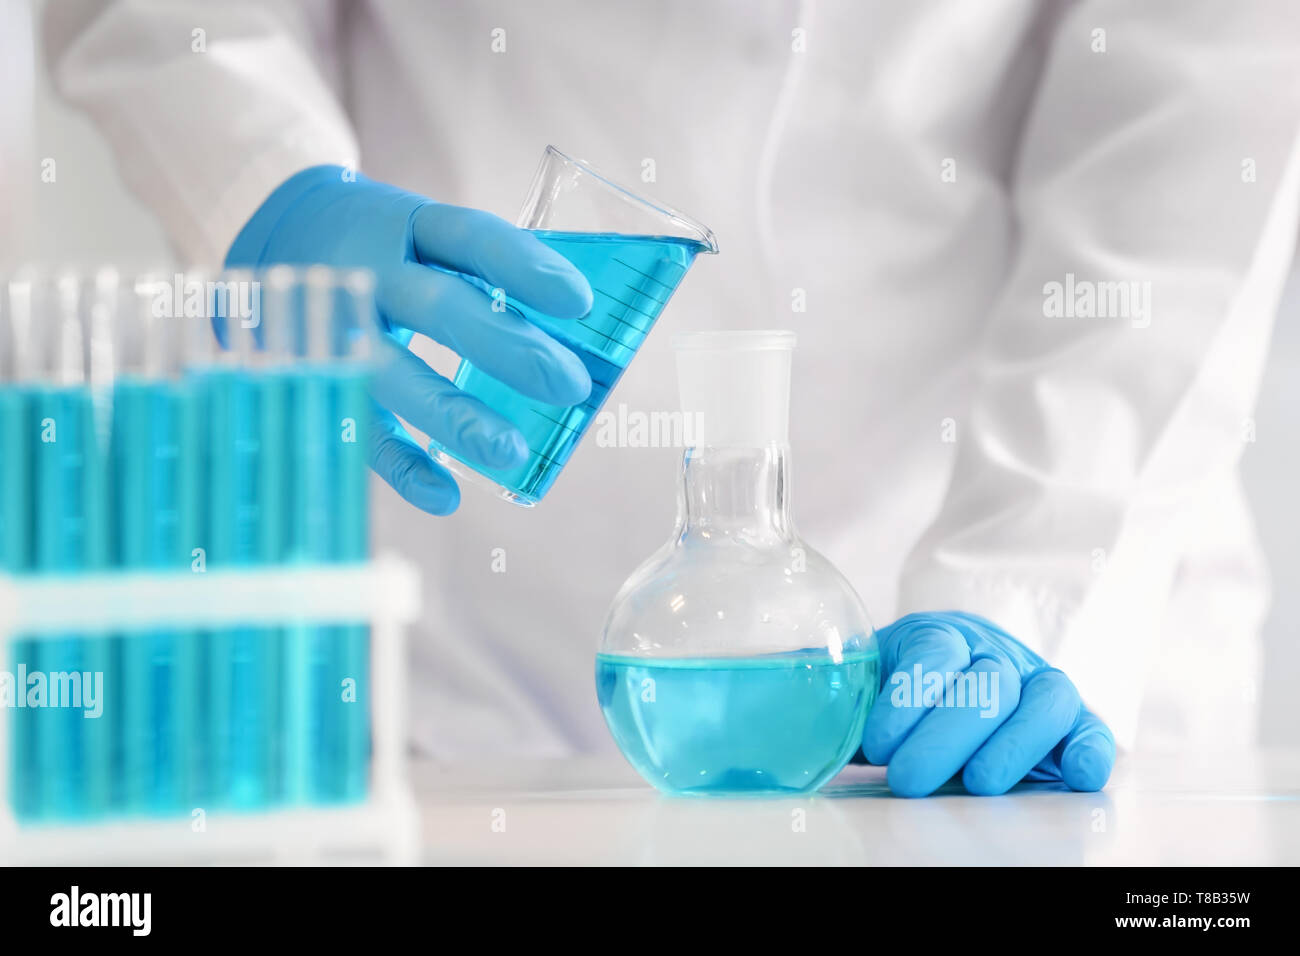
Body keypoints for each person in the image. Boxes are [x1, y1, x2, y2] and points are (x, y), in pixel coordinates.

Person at [43, 0, 1300, 794]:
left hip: (969, 571)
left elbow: (1191, 136)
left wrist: (1024, 587)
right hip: (449, 609)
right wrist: (261, 188)